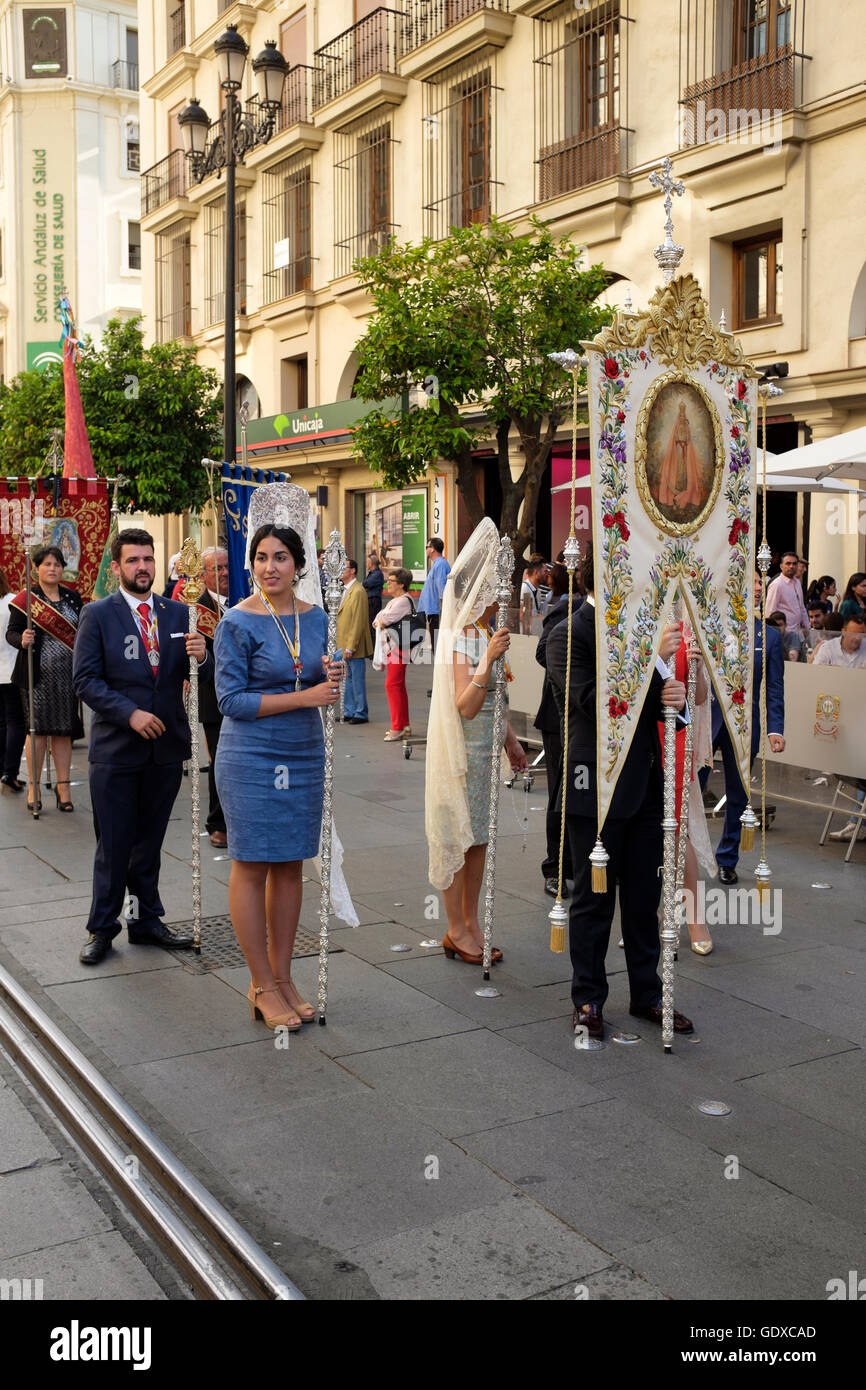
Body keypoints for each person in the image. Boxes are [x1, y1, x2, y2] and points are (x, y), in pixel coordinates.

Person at [547, 543, 694, 1041]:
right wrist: (647, 660)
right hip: (596, 787)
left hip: (646, 787)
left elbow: (660, 706)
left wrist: (674, 699)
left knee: (644, 896)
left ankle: (649, 995)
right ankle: (588, 999)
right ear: (600, 579)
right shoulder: (568, 633)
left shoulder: (643, 633)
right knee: (593, 900)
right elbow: (593, 703)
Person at [214, 522, 344, 1030]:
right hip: (250, 755)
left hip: (304, 752)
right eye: (262, 558)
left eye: (281, 557)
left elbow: (319, 677)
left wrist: (332, 676)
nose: (271, 567)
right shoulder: (237, 622)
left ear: (298, 565)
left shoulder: (317, 619)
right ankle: (261, 983)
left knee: (291, 863)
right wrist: (306, 697)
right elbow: (231, 701)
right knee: (252, 864)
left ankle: (284, 977)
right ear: (252, 565)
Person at [72, 529, 208, 964]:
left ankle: (146, 921)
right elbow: (86, 680)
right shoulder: (97, 615)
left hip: (164, 750)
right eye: (132, 561)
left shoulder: (176, 613)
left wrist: (201, 654)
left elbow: (198, 675)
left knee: (149, 844)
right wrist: (129, 713)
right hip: (116, 751)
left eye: (148, 559)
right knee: (114, 845)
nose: (142, 567)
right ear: (117, 568)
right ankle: (101, 928)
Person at [426, 518, 528, 965]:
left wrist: (511, 741)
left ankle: (472, 922)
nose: (496, 597)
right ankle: (455, 928)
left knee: (480, 840)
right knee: (457, 837)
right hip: (462, 752)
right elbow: (466, 704)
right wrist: (486, 662)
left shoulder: (483, 633)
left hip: (487, 752)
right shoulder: (458, 639)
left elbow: (496, 699)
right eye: (490, 588)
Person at [702, 572, 786, 885]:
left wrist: (775, 728)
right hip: (706, 720)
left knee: (739, 794)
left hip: (745, 724)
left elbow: (774, 687)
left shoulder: (769, 637)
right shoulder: (708, 626)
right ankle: (686, 855)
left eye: (759, 586)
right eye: (748, 584)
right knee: (694, 788)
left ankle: (727, 858)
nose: (755, 590)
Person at [6, 545, 84, 813]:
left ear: (63, 568)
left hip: (67, 676)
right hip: (36, 675)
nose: (52, 569)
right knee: (36, 731)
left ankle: (63, 787)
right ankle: (34, 786)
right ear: (36, 568)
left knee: (64, 732)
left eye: (57, 564)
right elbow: (12, 633)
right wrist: (22, 640)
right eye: (47, 564)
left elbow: (81, 633)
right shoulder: (26, 599)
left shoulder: (73, 598)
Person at [658, 626, 715, 955]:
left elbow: (700, 696)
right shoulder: (635, 620)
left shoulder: (688, 631)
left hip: (675, 736)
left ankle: (695, 919)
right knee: (644, 832)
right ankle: (653, 916)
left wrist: (698, 664)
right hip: (640, 737)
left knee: (679, 831)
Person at [172, 547, 229, 847]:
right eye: (215, 569)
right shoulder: (195, 606)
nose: (222, 573)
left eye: (225, 567)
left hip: (251, 692)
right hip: (213, 694)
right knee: (221, 759)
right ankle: (217, 823)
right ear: (203, 575)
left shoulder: (247, 600)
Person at [534, 561, 578, 897]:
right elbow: (542, 652)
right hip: (559, 714)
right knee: (560, 793)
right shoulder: (567, 608)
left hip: (593, 718)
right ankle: (556, 866)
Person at [373, 568, 414, 741]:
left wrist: (380, 619)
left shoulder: (402, 601)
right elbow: (378, 619)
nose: (387, 583)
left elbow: (383, 619)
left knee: (392, 685)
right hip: (396, 646)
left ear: (401, 584)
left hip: (399, 647)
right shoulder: (398, 600)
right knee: (397, 685)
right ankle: (403, 725)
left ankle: (397, 727)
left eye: (391, 580)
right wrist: (380, 619)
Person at [0, 567, 27, 794]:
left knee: (2, 723)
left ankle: (3, 769)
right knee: (16, 723)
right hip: (10, 671)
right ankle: (10, 772)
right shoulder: (12, 602)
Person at [336, 557, 373, 724]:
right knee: (347, 679)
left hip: (353, 645)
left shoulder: (358, 591)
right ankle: (349, 710)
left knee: (356, 680)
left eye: (344, 567)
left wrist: (351, 646)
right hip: (344, 643)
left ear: (353, 571)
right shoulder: (345, 590)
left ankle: (361, 712)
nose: (340, 570)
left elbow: (358, 621)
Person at [659, 400, 702, 509]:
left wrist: (685, 442)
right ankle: (676, 488)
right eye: (681, 417)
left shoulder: (686, 426)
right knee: (678, 469)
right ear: (679, 417)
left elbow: (688, 439)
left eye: (684, 417)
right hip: (678, 451)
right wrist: (679, 441)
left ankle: (684, 488)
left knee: (685, 470)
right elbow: (676, 438)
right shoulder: (678, 427)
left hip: (685, 452)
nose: (682, 418)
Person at [765, 551, 809, 641]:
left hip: (799, 634)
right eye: (788, 563)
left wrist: (808, 628)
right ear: (781, 566)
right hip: (784, 635)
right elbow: (770, 612)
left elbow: (802, 608)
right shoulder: (777, 585)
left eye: (794, 564)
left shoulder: (797, 582)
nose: (791, 566)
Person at [417, 537, 451, 655]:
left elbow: (441, 587)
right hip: (431, 607)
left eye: (427, 547)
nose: (426, 549)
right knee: (433, 634)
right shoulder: (437, 564)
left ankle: (439, 659)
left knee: (436, 635)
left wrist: (443, 606)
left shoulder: (440, 564)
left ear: (432, 549)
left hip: (435, 608)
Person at [520, 555, 549, 633]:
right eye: (545, 571)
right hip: (526, 635)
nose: (547, 574)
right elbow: (522, 615)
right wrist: (538, 618)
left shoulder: (538, 591)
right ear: (536, 572)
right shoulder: (525, 589)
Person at [363, 552, 384, 631]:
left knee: (372, 623)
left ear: (371, 563)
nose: (366, 564)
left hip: (373, 601)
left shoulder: (377, 574)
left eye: (367, 562)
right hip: (370, 600)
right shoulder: (372, 574)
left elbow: (365, 583)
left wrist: (365, 586)